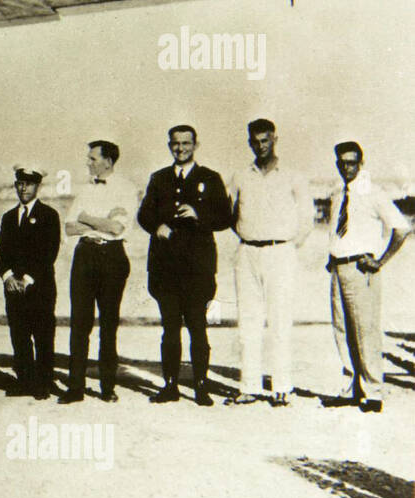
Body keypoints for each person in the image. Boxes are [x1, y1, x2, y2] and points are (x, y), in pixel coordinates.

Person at [137, 125, 232, 406]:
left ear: (195, 145)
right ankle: (170, 385)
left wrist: (199, 214)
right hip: (165, 269)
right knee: (169, 329)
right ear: (169, 145)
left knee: (197, 328)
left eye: (186, 143)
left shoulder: (210, 178)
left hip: (198, 270)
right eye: (175, 144)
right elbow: (144, 214)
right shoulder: (159, 178)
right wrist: (158, 227)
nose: (180, 148)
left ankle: (201, 386)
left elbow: (225, 217)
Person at [320, 141, 410, 413]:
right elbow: (339, 231)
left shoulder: (374, 193)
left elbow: (401, 228)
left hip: (362, 269)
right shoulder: (338, 194)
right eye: (342, 162)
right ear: (337, 163)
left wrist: (380, 260)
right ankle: (351, 388)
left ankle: (372, 392)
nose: (347, 167)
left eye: (352, 162)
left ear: (361, 163)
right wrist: (332, 257)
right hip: (339, 268)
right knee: (342, 329)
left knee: (365, 331)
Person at [228, 119, 312, 407]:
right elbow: (231, 214)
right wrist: (250, 236)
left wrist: (286, 246)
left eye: (266, 140)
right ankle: (249, 386)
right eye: (255, 141)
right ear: (249, 142)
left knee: (279, 321)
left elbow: (306, 220)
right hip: (248, 252)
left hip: (281, 253)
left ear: (275, 139)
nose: (261, 146)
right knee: (248, 322)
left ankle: (282, 386)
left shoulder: (293, 176)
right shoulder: (241, 175)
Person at [63, 140, 136, 404]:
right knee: (79, 324)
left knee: (108, 324)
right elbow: (69, 228)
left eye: (93, 159)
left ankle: (107, 387)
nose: (88, 163)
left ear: (108, 161)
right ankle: (75, 387)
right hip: (85, 255)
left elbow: (117, 229)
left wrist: (87, 217)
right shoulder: (84, 190)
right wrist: (101, 221)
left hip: (112, 257)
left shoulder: (126, 189)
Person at [0, 164, 61, 397]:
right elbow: (1, 252)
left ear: (37, 186)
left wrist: (27, 279)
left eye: (29, 184)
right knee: (19, 334)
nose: (24, 188)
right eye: (20, 184)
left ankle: (43, 383)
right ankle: (25, 381)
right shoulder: (9, 217)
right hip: (13, 288)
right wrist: (7, 276)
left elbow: (48, 253)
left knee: (43, 336)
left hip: (39, 287)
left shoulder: (49, 216)